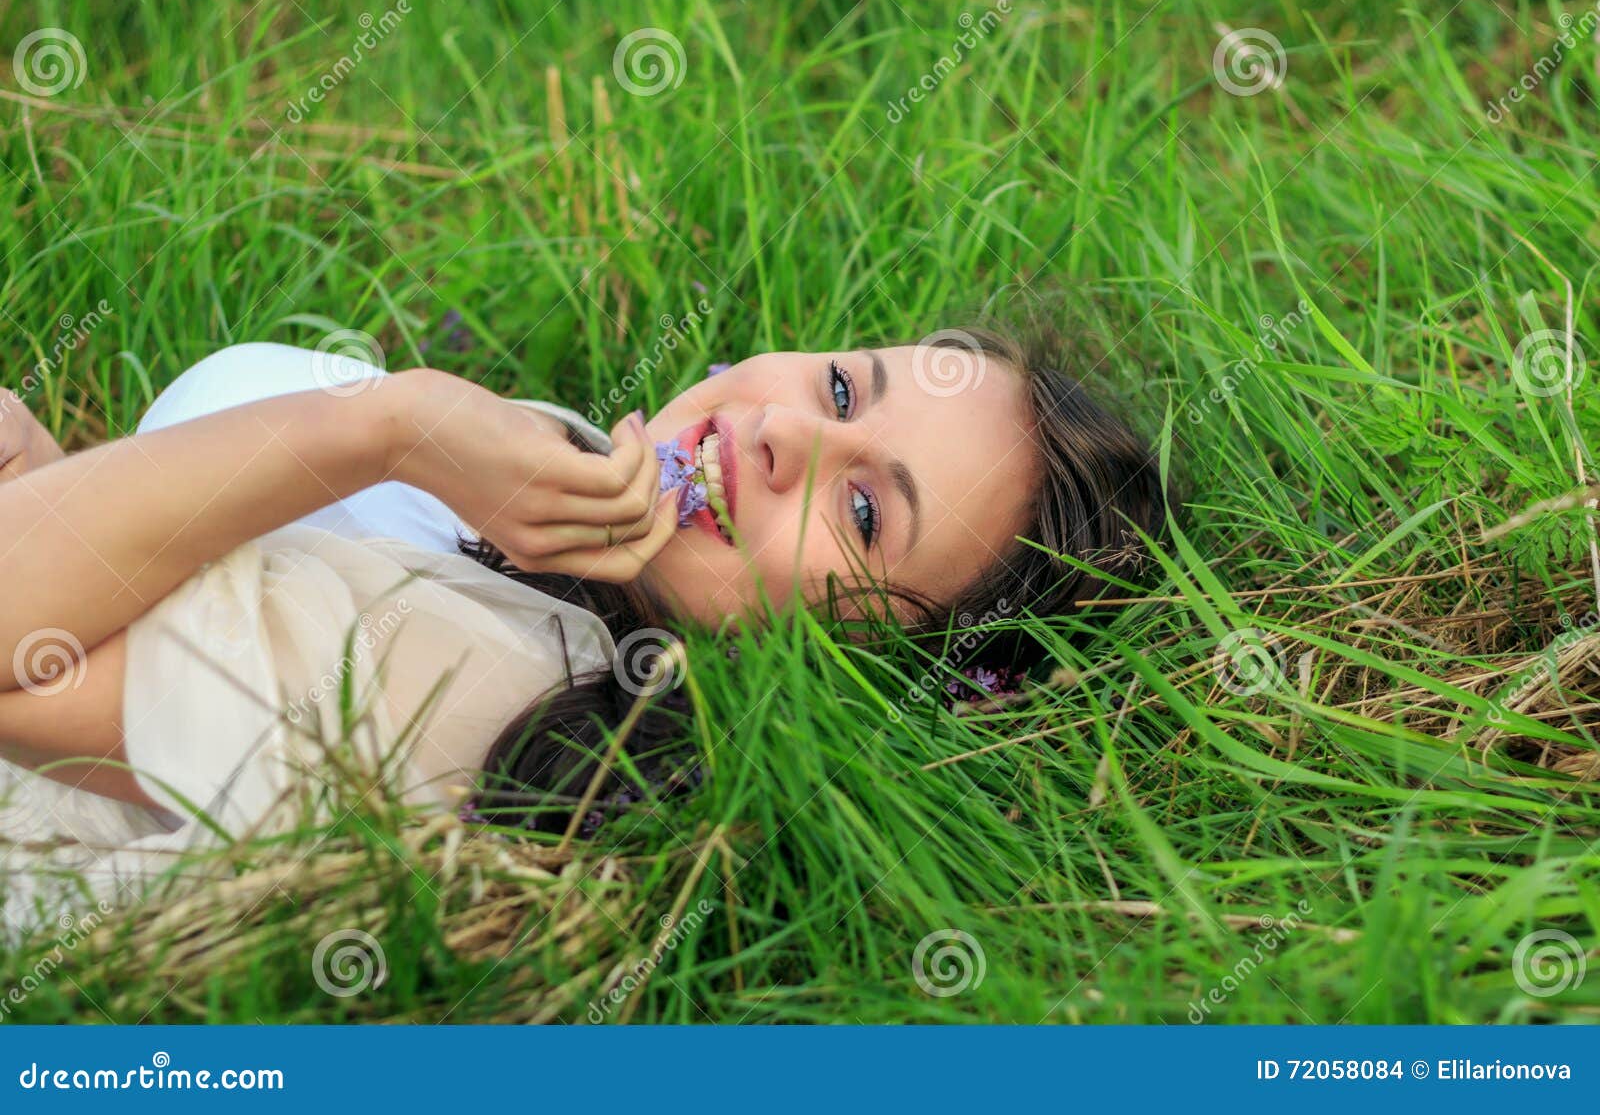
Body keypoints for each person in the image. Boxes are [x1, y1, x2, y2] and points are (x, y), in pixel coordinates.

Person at [0, 327, 1166, 936]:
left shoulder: (493, 691)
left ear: (874, 680)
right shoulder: (551, 509)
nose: (784, 432)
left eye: (863, 513)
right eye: (845, 390)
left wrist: (388, 428)